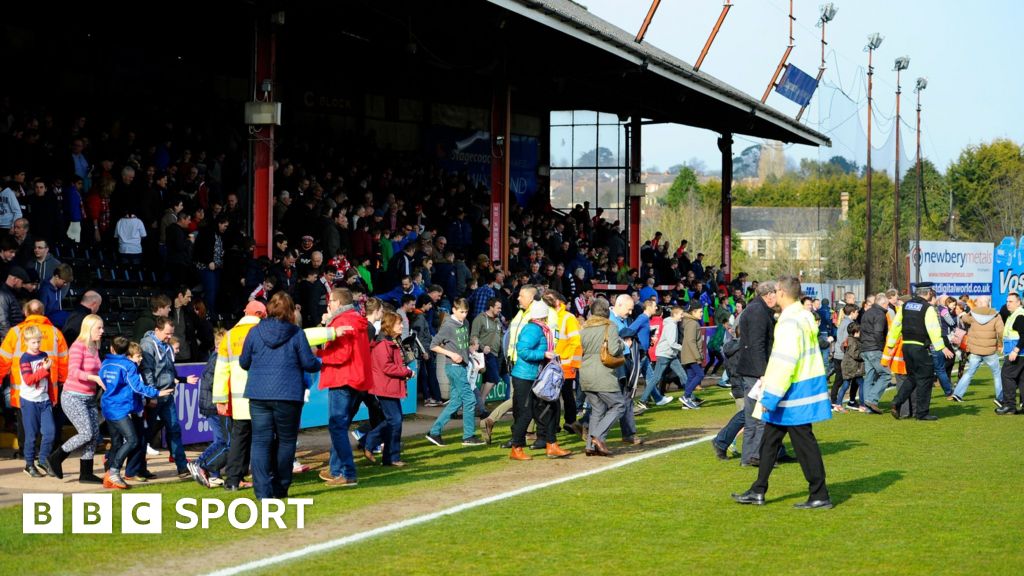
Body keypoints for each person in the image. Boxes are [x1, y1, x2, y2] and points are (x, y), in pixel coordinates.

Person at [732, 276, 833, 509]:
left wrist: (771, 396)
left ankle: (819, 493)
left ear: (782, 293)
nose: (773, 295)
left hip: (791, 392)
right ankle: (759, 489)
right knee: (769, 441)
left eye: (776, 291)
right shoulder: (804, 316)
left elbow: (784, 362)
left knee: (804, 444)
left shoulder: (789, 322)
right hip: (801, 386)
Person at [240, 292, 321, 500]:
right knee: (286, 442)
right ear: (291, 311)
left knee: (260, 442)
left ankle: (262, 492)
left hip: (259, 394)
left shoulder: (254, 332)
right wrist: (321, 362)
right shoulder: (296, 334)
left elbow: (244, 362)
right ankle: (280, 488)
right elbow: (309, 363)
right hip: (288, 395)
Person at [99, 337, 172, 489]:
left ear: (112, 348)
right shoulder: (128, 365)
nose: (140, 359)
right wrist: (156, 393)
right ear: (127, 352)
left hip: (108, 406)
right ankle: (114, 472)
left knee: (117, 442)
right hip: (119, 409)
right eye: (138, 356)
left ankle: (109, 474)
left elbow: (104, 381)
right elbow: (137, 387)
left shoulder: (106, 362)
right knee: (133, 440)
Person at [318, 287, 372, 488]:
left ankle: (346, 472)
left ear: (338, 303)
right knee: (340, 426)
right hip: (355, 379)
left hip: (343, 378)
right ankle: (336, 469)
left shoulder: (344, 322)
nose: (328, 305)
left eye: (330, 301)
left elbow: (341, 355)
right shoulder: (353, 319)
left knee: (337, 426)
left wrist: (317, 354)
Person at [212, 300, 267, 491]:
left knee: (239, 440)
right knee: (264, 438)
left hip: (239, 399)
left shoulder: (229, 336)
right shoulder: (264, 331)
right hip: (262, 396)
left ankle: (233, 480)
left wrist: (219, 399)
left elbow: (221, 370)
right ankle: (264, 478)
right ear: (260, 314)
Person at [47, 314, 106, 483]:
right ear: (88, 328)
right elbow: (72, 372)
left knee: (94, 434)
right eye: (98, 328)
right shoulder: (78, 346)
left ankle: (86, 473)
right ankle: (56, 458)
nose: (102, 331)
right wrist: (94, 378)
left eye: (102, 327)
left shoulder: (95, 345)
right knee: (86, 433)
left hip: (89, 397)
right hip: (73, 396)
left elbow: (99, 370)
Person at [887, 284, 953, 420]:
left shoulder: (904, 306)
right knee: (925, 378)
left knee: (912, 377)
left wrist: (891, 343)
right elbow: (933, 329)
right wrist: (941, 347)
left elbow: (896, 325)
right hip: (920, 347)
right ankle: (922, 413)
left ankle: (897, 402)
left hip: (906, 347)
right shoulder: (927, 308)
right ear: (928, 293)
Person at [425, 298, 485, 447]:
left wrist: (470, 351)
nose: (464, 315)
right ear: (454, 310)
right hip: (453, 367)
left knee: (456, 402)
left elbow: (462, 343)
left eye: (466, 312)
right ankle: (468, 436)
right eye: (461, 312)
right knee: (470, 400)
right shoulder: (448, 325)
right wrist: (451, 354)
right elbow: (433, 345)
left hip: (463, 366)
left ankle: (434, 432)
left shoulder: (466, 323)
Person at [365, 311, 415, 466]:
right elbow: (387, 367)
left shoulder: (390, 341)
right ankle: (370, 441)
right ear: (390, 325)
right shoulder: (382, 344)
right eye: (399, 323)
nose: (402, 326)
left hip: (389, 386)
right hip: (385, 387)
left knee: (394, 420)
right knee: (395, 420)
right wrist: (406, 372)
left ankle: (389, 457)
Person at [579, 298, 624, 457]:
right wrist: (623, 344)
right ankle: (597, 437)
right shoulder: (610, 326)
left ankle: (590, 446)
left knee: (597, 410)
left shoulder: (583, 328)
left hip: (586, 374)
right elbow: (613, 349)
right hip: (603, 374)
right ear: (607, 312)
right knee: (619, 404)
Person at [190, 328, 231, 487]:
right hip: (213, 405)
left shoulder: (215, 357)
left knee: (220, 439)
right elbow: (215, 383)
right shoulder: (218, 359)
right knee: (223, 440)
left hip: (211, 404)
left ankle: (214, 473)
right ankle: (200, 463)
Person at [15, 326, 57, 478]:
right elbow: (29, 380)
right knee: (31, 435)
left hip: (44, 399)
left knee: (50, 432)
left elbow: (48, 379)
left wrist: (52, 397)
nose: (37, 345)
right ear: (26, 342)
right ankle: (29, 464)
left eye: (38, 341)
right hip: (29, 401)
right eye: (33, 342)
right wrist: (44, 369)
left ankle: (43, 460)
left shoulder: (44, 355)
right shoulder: (25, 359)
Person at [951, 295, 1004, 405]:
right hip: (990, 351)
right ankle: (1000, 397)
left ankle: (957, 393)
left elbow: (965, 319)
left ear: (979, 303)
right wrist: (1000, 344)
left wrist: (966, 312)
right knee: (997, 374)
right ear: (988, 303)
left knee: (970, 372)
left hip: (975, 350)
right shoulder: (996, 315)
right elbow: (1001, 331)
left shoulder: (973, 314)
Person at [859, 292, 891, 414]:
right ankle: (872, 399)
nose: (888, 306)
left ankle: (868, 406)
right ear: (883, 303)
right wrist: (882, 348)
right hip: (874, 349)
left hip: (865, 348)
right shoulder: (880, 315)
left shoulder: (867, 313)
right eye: (887, 304)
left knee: (869, 377)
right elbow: (878, 333)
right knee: (886, 375)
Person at [997, 293, 1024, 415]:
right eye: (1007, 301)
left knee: (1007, 376)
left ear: (1018, 302)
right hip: (1019, 353)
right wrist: (1006, 347)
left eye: (1011, 301)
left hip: (1018, 354)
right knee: (1022, 379)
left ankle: (1009, 405)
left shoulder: (1019, 316)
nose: (1008, 303)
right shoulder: (1014, 315)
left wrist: (1015, 350)